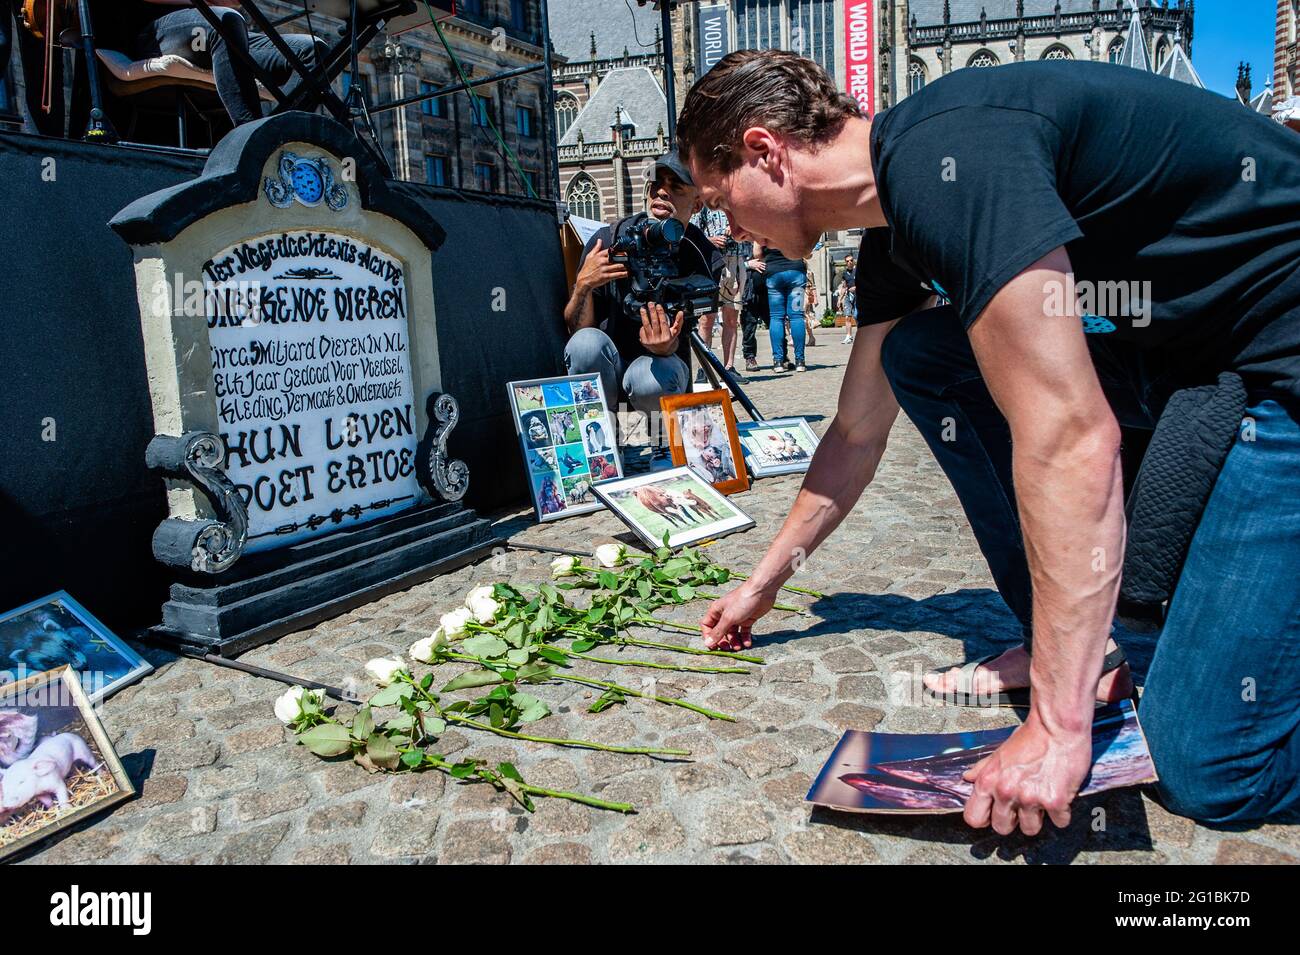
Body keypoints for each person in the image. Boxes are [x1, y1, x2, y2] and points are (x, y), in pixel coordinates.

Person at [678, 49, 1300, 830]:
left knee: (1213, 769)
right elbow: (858, 431)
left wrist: (1058, 724)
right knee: (921, 354)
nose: (723, 226)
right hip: (1200, 372)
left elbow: (1070, 433)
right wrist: (764, 583)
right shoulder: (899, 220)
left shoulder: (956, 157)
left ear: (765, 151)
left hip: (1280, 367)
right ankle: (1072, 635)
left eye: (717, 196)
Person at [563, 149, 723, 422]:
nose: (661, 192)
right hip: (609, 360)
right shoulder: (610, 239)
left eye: (675, 187)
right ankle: (604, 446)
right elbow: (576, 329)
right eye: (656, 184)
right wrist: (583, 285)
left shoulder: (702, 255)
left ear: (697, 205)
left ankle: (663, 445)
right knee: (584, 345)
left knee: (653, 377)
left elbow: (682, 336)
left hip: (658, 365)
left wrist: (665, 346)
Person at [129, 1, 320, 128]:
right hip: (156, 32)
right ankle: (250, 134)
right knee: (225, 20)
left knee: (313, 50)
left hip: (224, 33)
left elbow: (233, 3)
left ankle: (282, 135)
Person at [690, 204, 743, 380]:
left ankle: (729, 368)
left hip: (735, 260)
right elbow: (691, 233)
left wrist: (737, 229)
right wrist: (710, 240)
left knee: (731, 318)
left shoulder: (738, 202)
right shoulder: (704, 203)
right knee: (706, 318)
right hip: (710, 262)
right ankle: (703, 369)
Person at [760, 242, 806, 372]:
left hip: (774, 273)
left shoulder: (763, 226)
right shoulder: (796, 222)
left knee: (776, 318)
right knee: (797, 316)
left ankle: (778, 362)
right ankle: (800, 361)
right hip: (796, 272)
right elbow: (807, 253)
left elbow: (756, 253)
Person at [837, 254, 857, 345]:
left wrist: (856, 287)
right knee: (847, 316)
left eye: (851, 260)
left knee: (857, 316)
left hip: (858, 296)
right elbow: (844, 286)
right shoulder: (844, 273)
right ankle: (848, 336)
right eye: (847, 261)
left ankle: (861, 336)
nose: (849, 262)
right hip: (849, 296)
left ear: (853, 261)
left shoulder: (858, 270)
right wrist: (839, 299)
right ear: (845, 263)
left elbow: (865, 282)